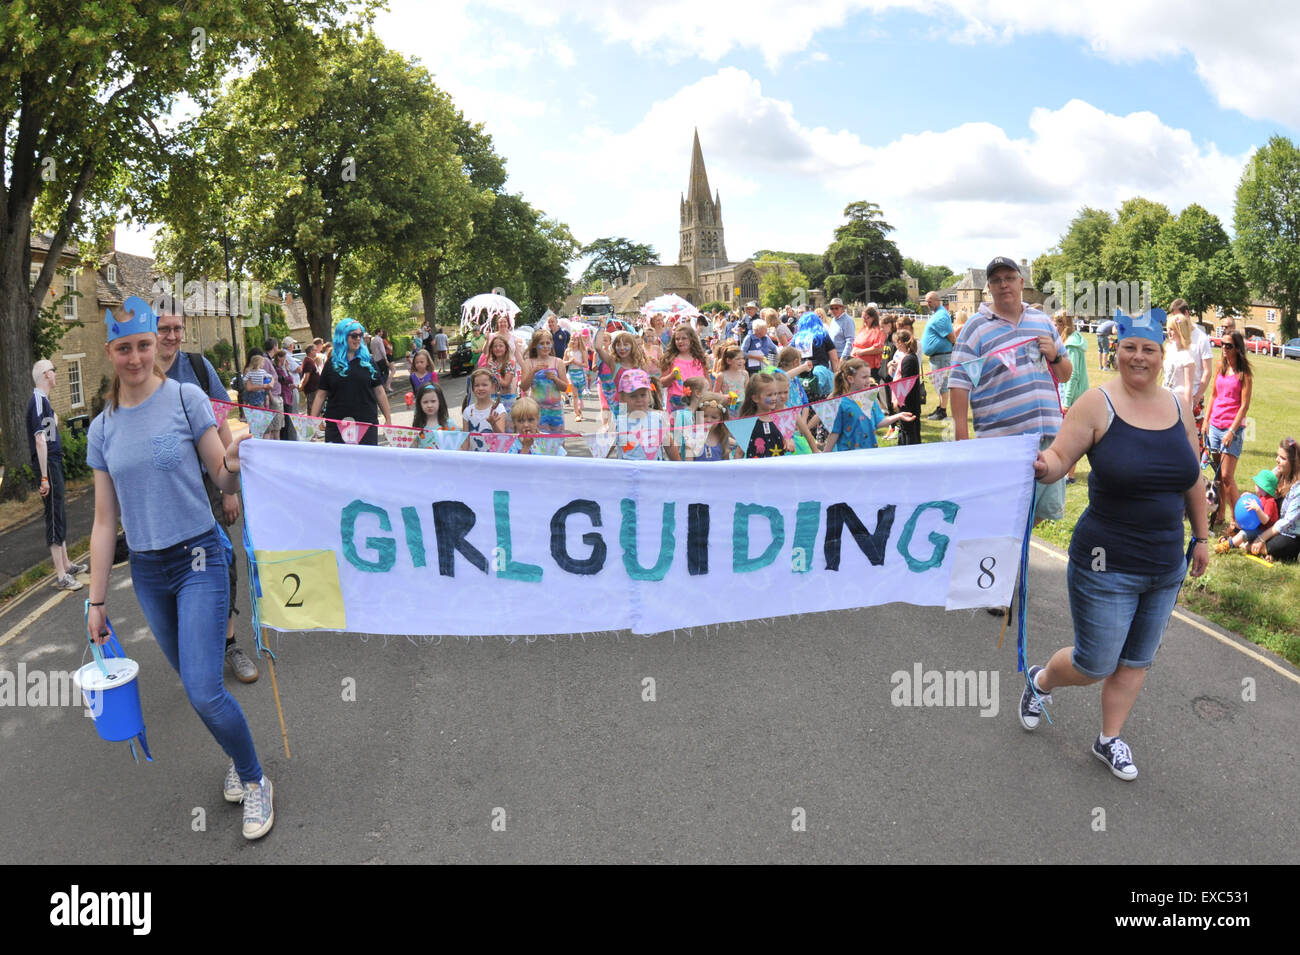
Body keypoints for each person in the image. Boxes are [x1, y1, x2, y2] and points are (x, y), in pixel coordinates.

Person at [85, 297, 274, 838]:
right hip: (148, 571)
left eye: (144, 345)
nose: (137, 357)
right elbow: (103, 522)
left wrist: (235, 469)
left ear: (155, 346)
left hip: (198, 558)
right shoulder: (102, 430)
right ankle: (239, 763)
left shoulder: (187, 399)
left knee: (202, 689)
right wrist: (96, 603)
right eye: (125, 348)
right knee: (197, 683)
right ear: (111, 352)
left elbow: (221, 477)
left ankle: (257, 780)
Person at [1022, 308, 1208, 781]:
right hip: (1105, 564)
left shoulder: (1179, 406)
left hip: (1166, 564)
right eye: (1130, 348)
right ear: (1117, 351)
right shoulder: (1096, 403)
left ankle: (1109, 739)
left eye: (1149, 349)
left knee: (1136, 660)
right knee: (1095, 662)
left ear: (1161, 354)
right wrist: (1041, 465)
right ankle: (1041, 681)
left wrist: (1202, 537)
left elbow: (1192, 478)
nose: (1139, 357)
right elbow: (1061, 455)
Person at [155, 312, 259, 681]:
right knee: (171, 567)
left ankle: (231, 644)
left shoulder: (197, 368)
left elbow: (222, 427)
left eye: (177, 328)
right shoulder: (139, 376)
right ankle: (195, 646)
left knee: (221, 558)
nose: (171, 336)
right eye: (163, 328)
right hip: (163, 492)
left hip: (207, 483)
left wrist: (230, 489)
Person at [947, 257, 1071, 526]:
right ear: (988, 288)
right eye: (996, 280)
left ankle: (1015, 562)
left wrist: (1055, 356)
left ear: (1021, 283)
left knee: (1043, 511)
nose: (1004, 285)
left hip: (1049, 437)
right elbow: (959, 382)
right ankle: (1005, 563)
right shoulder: (976, 327)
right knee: (1002, 515)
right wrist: (962, 439)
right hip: (1003, 441)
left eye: (1010, 278)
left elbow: (1065, 374)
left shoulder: (1042, 320)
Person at [28, 360, 86, 591]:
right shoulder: (37, 401)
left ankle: (67, 564)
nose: (56, 374)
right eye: (53, 370)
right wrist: (44, 477)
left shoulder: (44, 402)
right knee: (53, 516)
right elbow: (40, 440)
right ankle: (61, 576)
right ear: (45, 375)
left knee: (59, 513)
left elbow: (49, 432)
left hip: (53, 462)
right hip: (48, 465)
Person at [310, 318, 393, 445]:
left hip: (366, 424)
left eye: (360, 335)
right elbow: (321, 395)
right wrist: (313, 422)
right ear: (342, 337)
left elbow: (380, 392)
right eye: (354, 336)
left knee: (365, 463)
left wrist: (388, 418)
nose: (358, 339)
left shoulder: (369, 363)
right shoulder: (331, 364)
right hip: (336, 425)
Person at [1202, 331, 1253, 531]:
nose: (1224, 348)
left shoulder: (1244, 374)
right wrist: (1206, 420)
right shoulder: (1220, 367)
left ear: (1238, 349)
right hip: (1214, 425)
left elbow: (1244, 406)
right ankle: (1220, 514)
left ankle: (1237, 519)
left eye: (1228, 345)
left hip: (1233, 428)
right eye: (1222, 344)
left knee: (1226, 477)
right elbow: (1214, 395)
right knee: (1216, 476)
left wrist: (1232, 431)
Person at [821, 358, 915, 452]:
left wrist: (899, 415)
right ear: (850, 379)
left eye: (869, 376)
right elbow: (835, 433)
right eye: (864, 377)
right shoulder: (841, 403)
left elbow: (879, 422)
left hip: (870, 453)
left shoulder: (870, 399)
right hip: (847, 455)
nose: (868, 380)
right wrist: (826, 454)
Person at [1248, 438, 1300, 563]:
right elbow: (1262, 492)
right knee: (1249, 533)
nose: (1277, 460)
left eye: (1282, 458)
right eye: (1278, 456)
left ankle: (1273, 551)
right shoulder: (1276, 473)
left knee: (1277, 544)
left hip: (1290, 533)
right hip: (1271, 525)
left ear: (1293, 463)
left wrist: (1261, 538)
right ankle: (1268, 552)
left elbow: (1286, 522)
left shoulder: (1298, 488)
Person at [1216, 469, 1279, 554]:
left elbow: (1265, 520)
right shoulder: (1261, 498)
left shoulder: (1270, 502)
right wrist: (1248, 496)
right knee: (1237, 526)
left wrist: (1257, 509)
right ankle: (1229, 539)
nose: (1255, 486)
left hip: (1264, 532)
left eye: (1256, 485)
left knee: (1243, 533)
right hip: (1256, 527)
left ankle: (1227, 545)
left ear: (1262, 487)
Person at [519, 329, 569, 434]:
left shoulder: (558, 362)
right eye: (541, 343)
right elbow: (523, 387)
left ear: (552, 344)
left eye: (548, 343)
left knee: (558, 443)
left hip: (555, 410)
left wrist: (555, 379)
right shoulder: (529, 363)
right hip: (536, 410)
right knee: (540, 444)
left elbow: (565, 388)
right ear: (534, 346)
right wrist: (533, 372)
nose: (545, 346)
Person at [920, 291, 955, 420]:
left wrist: (955, 346)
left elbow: (951, 336)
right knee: (939, 384)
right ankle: (940, 408)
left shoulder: (940, 316)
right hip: (937, 356)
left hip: (942, 355)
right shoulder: (937, 314)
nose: (927, 303)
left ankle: (943, 411)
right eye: (926, 301)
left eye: (930, 301)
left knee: (942, 384)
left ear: (937, 300)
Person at [660, 323, 709, 413]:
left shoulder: (700, 358)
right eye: (677, 339)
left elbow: (708, 381)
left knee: (698, 426)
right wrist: (671, 377)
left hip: (698, 402)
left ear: (692, 339)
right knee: (678, 425)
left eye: (684, 338)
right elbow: (661, 383)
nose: (680, 341)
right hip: (677, 402)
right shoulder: (670, 358)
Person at [461, 368, 508, 451]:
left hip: (493, 459)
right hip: (475, 459)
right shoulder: (467, 412)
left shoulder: (499, 409)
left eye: (484, 385)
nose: (480, 388)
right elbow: (466, 441)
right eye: (477, 385)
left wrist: (493, 424)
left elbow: (502, 439)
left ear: (493, 387)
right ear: (472, 388)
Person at [894, 330, 923, 446]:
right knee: (907, 430)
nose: (896, 345)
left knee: (909, 431)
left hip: (908, 403)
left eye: (896, 342)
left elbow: (905, 384)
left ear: (900, 342)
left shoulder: (909, 359)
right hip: (910, 402)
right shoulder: (910, 357)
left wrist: (899, 400)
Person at [1162, 311, 1195, 410]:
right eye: (1168, 329)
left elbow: (1188, 387)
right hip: (1165, 398)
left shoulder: (1187, 356)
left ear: (1180, 330)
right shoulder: (1168, 349)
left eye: (1172, 329)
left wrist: (1187, 411)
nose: (1169, 332)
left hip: (1178, 402)